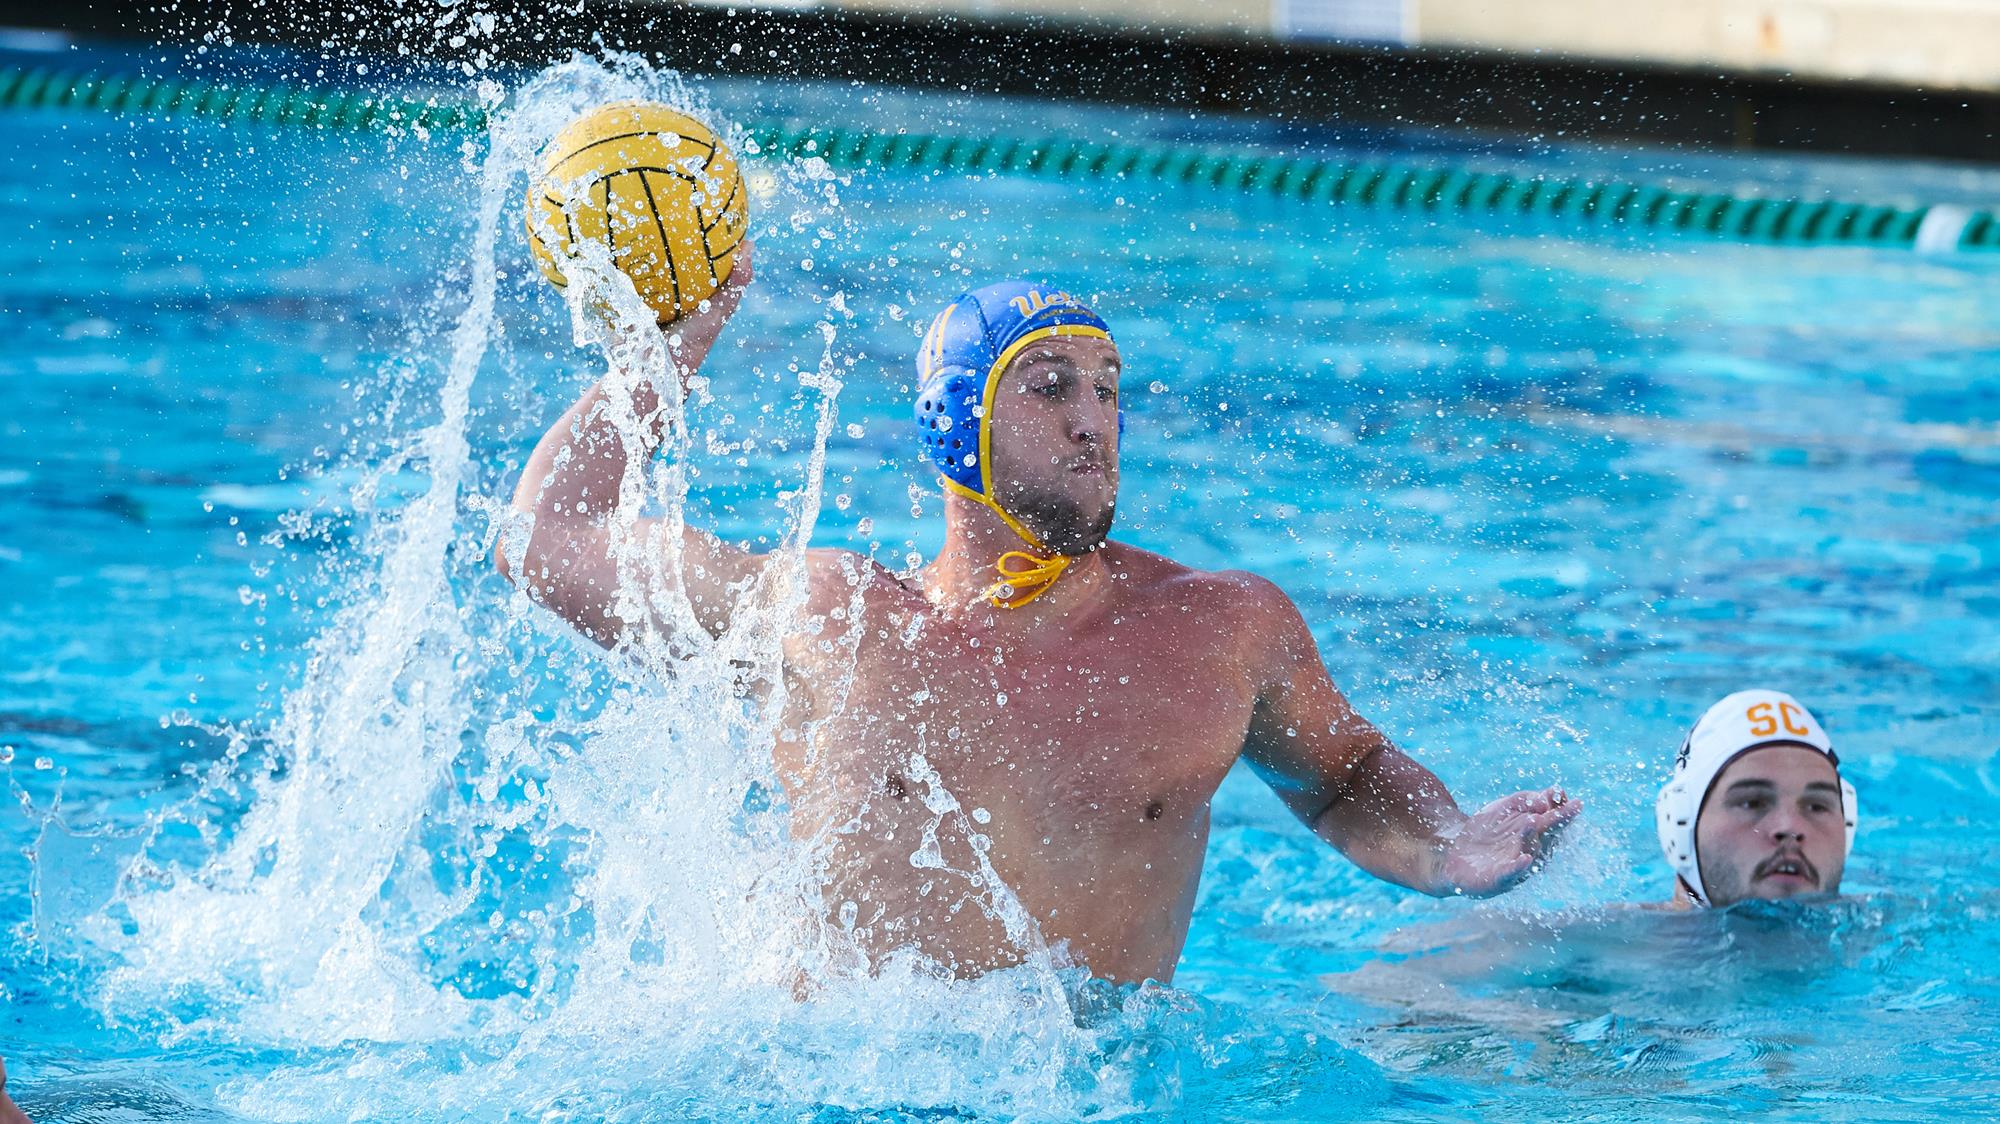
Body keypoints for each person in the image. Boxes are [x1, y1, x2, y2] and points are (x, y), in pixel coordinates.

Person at [498, 242, 1579, 984]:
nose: (1093, 421)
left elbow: (1340, 776)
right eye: (1051, 385)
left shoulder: (1221, 629)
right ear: (952, 421)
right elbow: (543, 540)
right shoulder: (833, 618)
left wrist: (1446, 841)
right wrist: (669, 349)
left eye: (1108, 388)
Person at [1656, 688, 1858, 908]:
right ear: (1679, 824)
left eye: (1817, 806)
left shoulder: (1882, 922)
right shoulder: (1627, 929)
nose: (1789, 828)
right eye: (1751, 803)